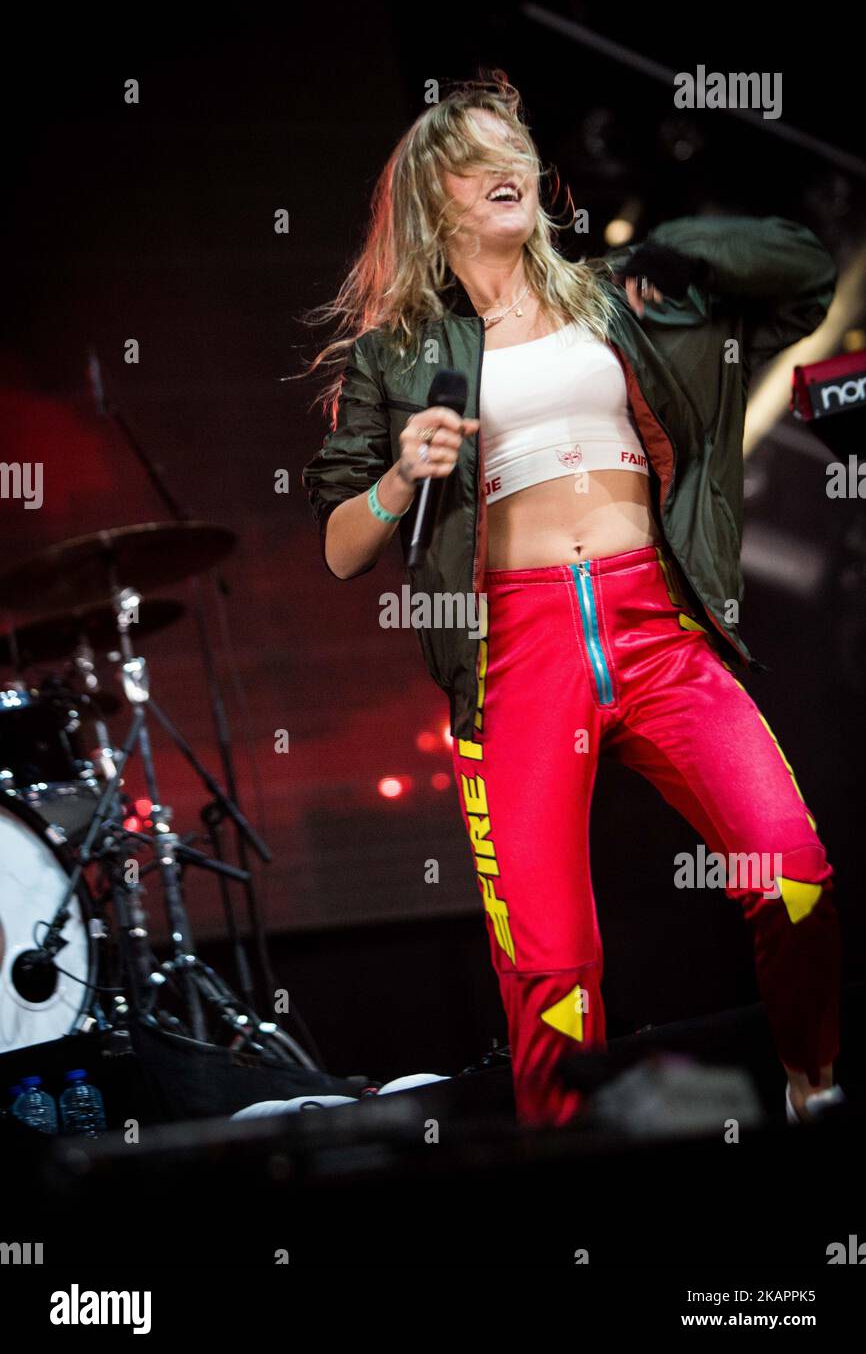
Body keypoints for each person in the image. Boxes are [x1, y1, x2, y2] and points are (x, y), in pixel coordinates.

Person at [301, 74, 843, 1128]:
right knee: (555, 968)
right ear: (432, 199)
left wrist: (679, 247)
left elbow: (802, 273)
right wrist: (399, 476)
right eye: (474, 157)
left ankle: (811, 1085)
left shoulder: (615, 296)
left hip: (655, 631)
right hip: (517, 655)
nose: (506, 167)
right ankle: (565, 1175)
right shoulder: (399, 355)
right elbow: (337, 548)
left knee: (792, 871)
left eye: (516, 148)